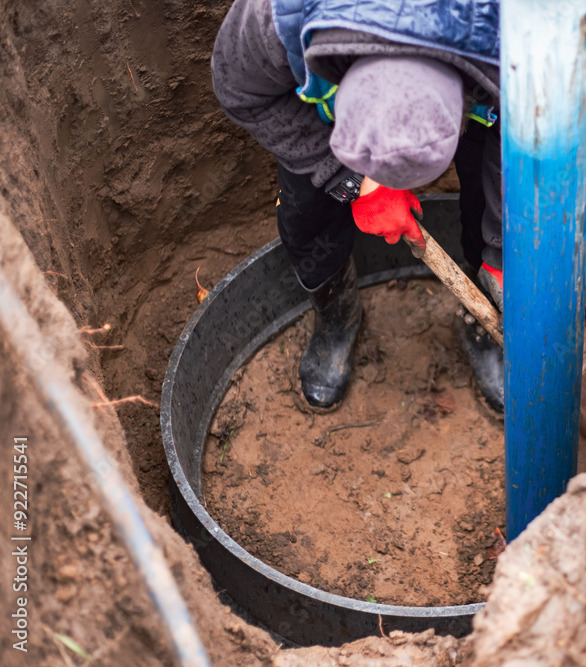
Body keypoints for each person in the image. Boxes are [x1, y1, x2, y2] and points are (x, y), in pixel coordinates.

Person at [211, 0, 505, 412]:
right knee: (306, 216)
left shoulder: (521, 44)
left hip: (488, 95)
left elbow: (528, 158)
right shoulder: (276, 20)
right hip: (318, 99)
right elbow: (242, 93)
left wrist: (502, 253)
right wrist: (351, 179)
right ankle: (338, 321)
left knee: (489, 204)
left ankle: (482, 330)